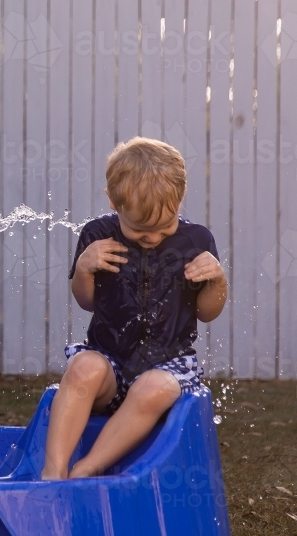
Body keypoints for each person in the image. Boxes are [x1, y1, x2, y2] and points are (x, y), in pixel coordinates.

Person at [41, 137, 228, 479]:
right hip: (110, 363)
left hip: (168, 365)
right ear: (114, 202)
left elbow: (207, 313)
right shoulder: (97, 235)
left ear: (179, 200)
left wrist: (218, 281)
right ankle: (52, 472)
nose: (153, 238)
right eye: (140, 230)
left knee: (152, 388)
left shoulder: (197, 241)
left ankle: (88, 468)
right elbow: (86, 302)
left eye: (164, 227)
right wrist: (83, 267)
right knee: (83, 367)